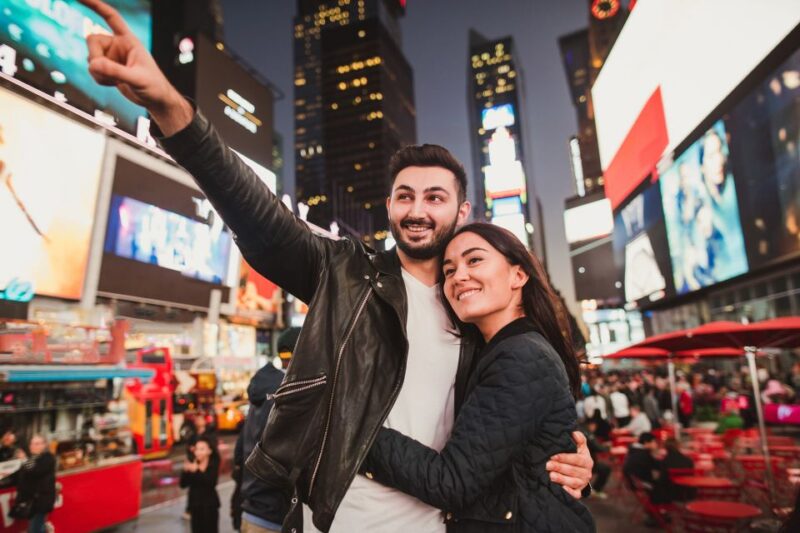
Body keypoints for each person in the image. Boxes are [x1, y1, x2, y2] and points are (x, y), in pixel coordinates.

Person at [76, 3, 593, 531]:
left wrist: (570, 460)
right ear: (388, 207)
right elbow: (260, 218)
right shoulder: (346, 273)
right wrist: (170, 108)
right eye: (404, 196)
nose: (417, 210)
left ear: (461, 212)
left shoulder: (478, 311)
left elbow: (510, 423)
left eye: (435, 198)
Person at [361, 223, 594, 531]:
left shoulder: (521, 356)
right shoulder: (500, 350)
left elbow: (452, 482)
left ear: (518, 275)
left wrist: (355, 433)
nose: (458, 276)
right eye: (449, 270)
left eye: (474, 260)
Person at [233, 360, 289, 533]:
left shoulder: (256, 403)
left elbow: (238, 455)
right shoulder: (288, 391)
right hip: (274, 515)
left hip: (250, 512)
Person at [12, 435, 56, 533]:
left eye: (36, 444)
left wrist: (24, 460)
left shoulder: (48, 458)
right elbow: (25, 472)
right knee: (35, 527)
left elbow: (35, 471)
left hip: (40, 501)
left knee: (35, 529)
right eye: (31, 443)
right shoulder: (33, 458)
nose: (32, 446)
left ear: (44, 445)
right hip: (33, 501)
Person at [180, 436, 221, 533]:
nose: (198, 451)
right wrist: (185, 472)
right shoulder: (192, 463)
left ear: (209, 451)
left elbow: (211, 482)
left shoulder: (213, 464)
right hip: (195, 506)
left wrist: (196, 471)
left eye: (202, 449)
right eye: (197, 449)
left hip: (210, 506)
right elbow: (182, 485)